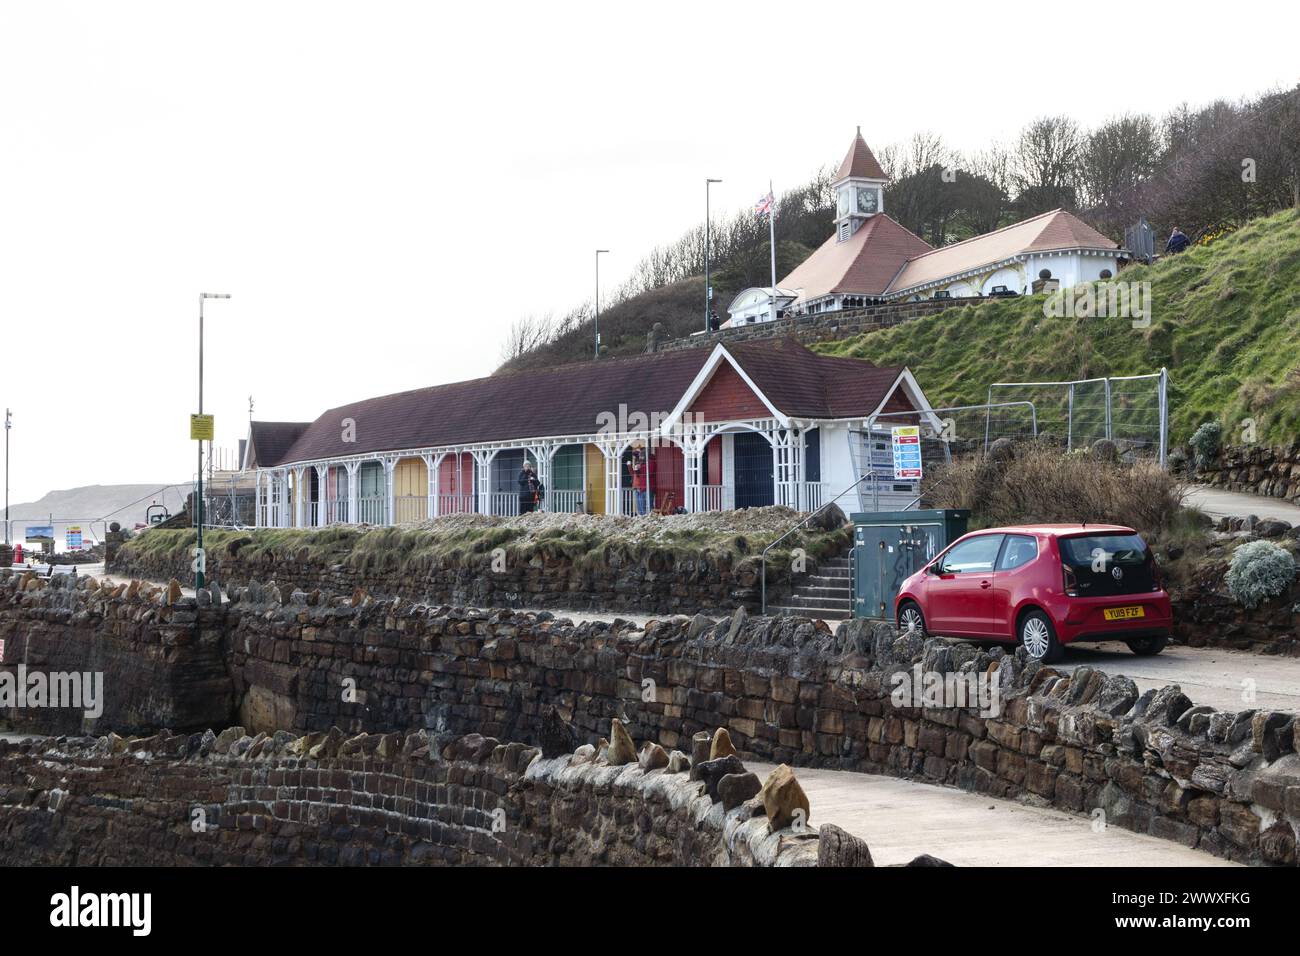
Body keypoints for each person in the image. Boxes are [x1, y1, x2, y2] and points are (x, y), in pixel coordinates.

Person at [628, 446, 648, 516]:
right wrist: (629, 466)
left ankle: (643, 514)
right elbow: (633, 474)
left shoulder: (642, 464)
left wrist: (637, 469)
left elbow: (638, 474)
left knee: (641, 500)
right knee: (638, 501)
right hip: (636, 485)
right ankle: (640, 514)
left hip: (640, 485)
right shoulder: (637, 463)